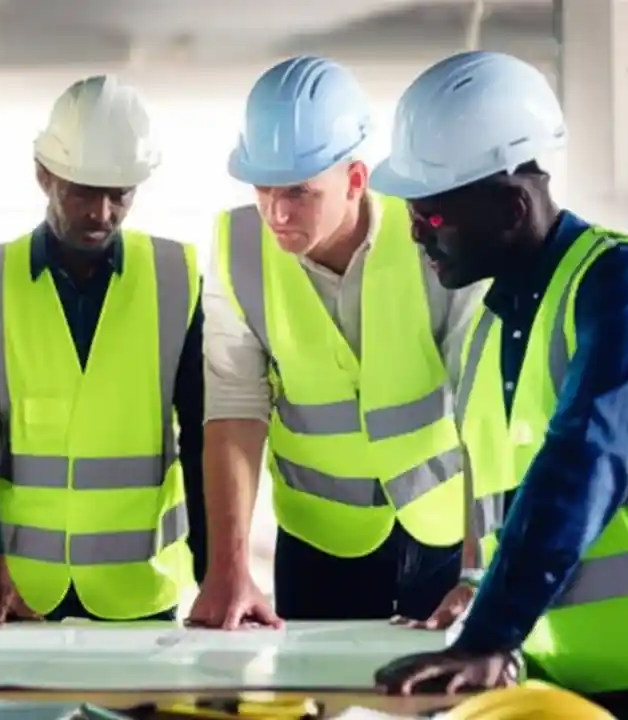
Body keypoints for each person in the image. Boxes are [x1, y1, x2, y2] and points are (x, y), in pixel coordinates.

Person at [368, 50, 628, 719]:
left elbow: (587, 455)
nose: (417, 234)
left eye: (434, 216)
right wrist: (481, 589)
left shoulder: (627, 288)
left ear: (511, 207)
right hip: (553, 686)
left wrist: (489, 635)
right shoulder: (488, 325)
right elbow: (504, 497)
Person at [187, 55, 486, 630]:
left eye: (299, 191)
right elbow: (233, 411)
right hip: (319, 542)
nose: (277, 212)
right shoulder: (236, 249)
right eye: (264, 187)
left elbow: (482, 414)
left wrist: (480, 568)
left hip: (448, 532)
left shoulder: (433, 234)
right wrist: (226, 568)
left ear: (354, 180)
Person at [0, 74, 208, 625]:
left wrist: (217, 571)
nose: (102, 213)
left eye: (120, 194)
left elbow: (205, 438)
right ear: (44, 175)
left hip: (140, 590)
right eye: (83, 191)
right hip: (12, 589)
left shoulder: (177, 278)